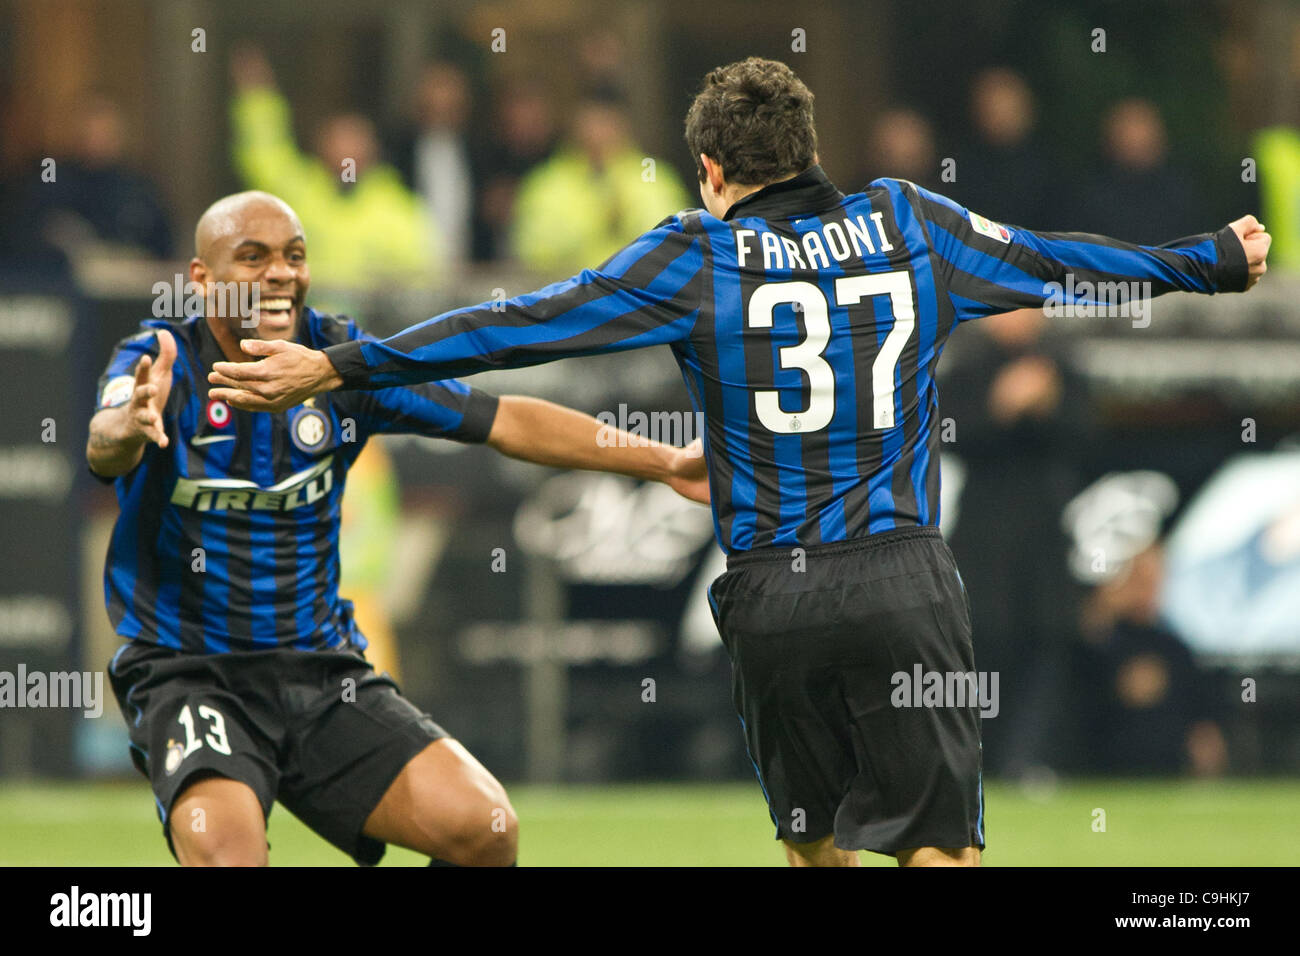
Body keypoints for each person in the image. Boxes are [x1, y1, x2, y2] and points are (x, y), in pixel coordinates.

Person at [207, 58, 1271, 867]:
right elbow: (1058, 265)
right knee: (940, 848)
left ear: (711, 170)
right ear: (809, 149)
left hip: (772, 596)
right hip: (902, 575)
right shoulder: (909, 221)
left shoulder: (690, 252)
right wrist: (1206, 262)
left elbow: (518, 323)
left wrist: (341, 363)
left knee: (815, 847)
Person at [87, 190, 707, 867]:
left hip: (320, 673)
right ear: (202, 280)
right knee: (229, 857)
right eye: (253, 257)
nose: (280, 274)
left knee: (487, 829)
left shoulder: (339, 360)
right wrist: (126, 424)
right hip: (190, 672)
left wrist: (666, 460)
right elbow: (106, 439)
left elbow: (505, 421)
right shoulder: (160, 362)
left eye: (295, 257)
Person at [229, 47, 437, 291]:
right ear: (321, 146)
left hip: (369, 327)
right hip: (303, 323)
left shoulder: (398, 208)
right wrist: (256, 95)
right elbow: (264, 155)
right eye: (338, 140)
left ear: (373, 149)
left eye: (355, 141)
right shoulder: (297, 192)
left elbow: (424, 279)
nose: (346, 152)